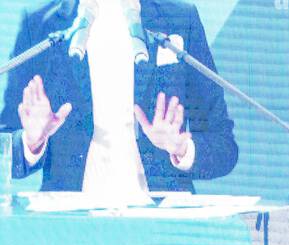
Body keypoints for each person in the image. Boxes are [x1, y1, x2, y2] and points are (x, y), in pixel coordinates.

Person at [0, 0, 238, 197]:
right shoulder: (41, 24)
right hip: (70, 233)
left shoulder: (179, 18)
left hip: (162, 231)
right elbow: (6, 150)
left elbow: (224, 147)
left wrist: (182, 148)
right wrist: (32, 141)